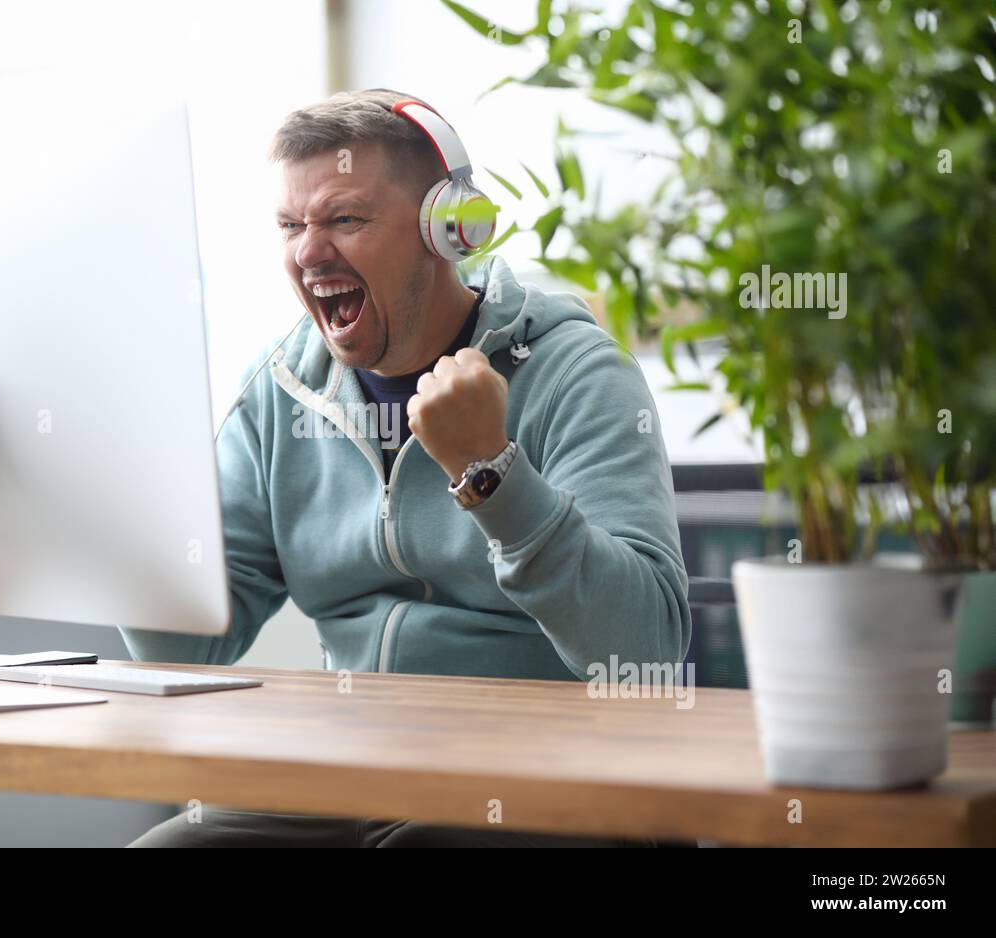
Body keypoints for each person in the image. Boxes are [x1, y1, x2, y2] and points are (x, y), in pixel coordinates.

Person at [123, 89, 691, 847]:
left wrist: (491, 474)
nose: (308, 252)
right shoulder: (279, 389)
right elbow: (184, 649)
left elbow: (644, 648)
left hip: (547, 774)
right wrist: (119, 505)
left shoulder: (575, 372)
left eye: (344, 219)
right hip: (347, 771)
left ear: (450, 231)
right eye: (291, 225)